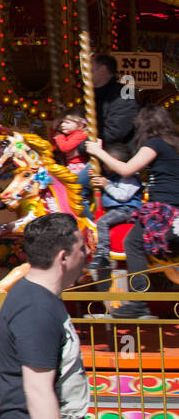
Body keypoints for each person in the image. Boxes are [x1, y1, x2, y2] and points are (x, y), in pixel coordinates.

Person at [0, 212, 106, 419]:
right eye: (82, 246)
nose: (87, 253)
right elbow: (39, 392)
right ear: (63, 256)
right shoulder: (35, 309)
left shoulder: (44, 300)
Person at [85, 103, 179, 315]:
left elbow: (126, 169)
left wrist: (98, 153)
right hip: (174, 207)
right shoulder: (173, 144)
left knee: (132, 243)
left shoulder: (155, 143)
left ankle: (138, 303)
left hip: (163, 209)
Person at [87, 144, 143, 288]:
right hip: (118, 209)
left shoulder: (130, 177)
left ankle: (103, 255)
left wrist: (106, 185)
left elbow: (123, 196)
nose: (104, 167)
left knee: (103, 222)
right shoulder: (112, 176)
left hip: (128, 210)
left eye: (106, 163)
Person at [93, 53, 139, 148]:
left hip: (117, 153)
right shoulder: (91, 94)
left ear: (102, 70)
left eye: (89, 69)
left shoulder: (123, 95)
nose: (83, 73)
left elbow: (115, 131)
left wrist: (82, 146)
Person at [52, 111, 91, 198]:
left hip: (78, 166)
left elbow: (65, 147)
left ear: (80, 125)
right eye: (62, 122)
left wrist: (59, 137)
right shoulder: (70, 135)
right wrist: (54, 131)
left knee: (73, 191)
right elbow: (55, 147)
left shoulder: (80, 135)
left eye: (67, 122)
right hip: (71, 165)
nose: (62, 125)